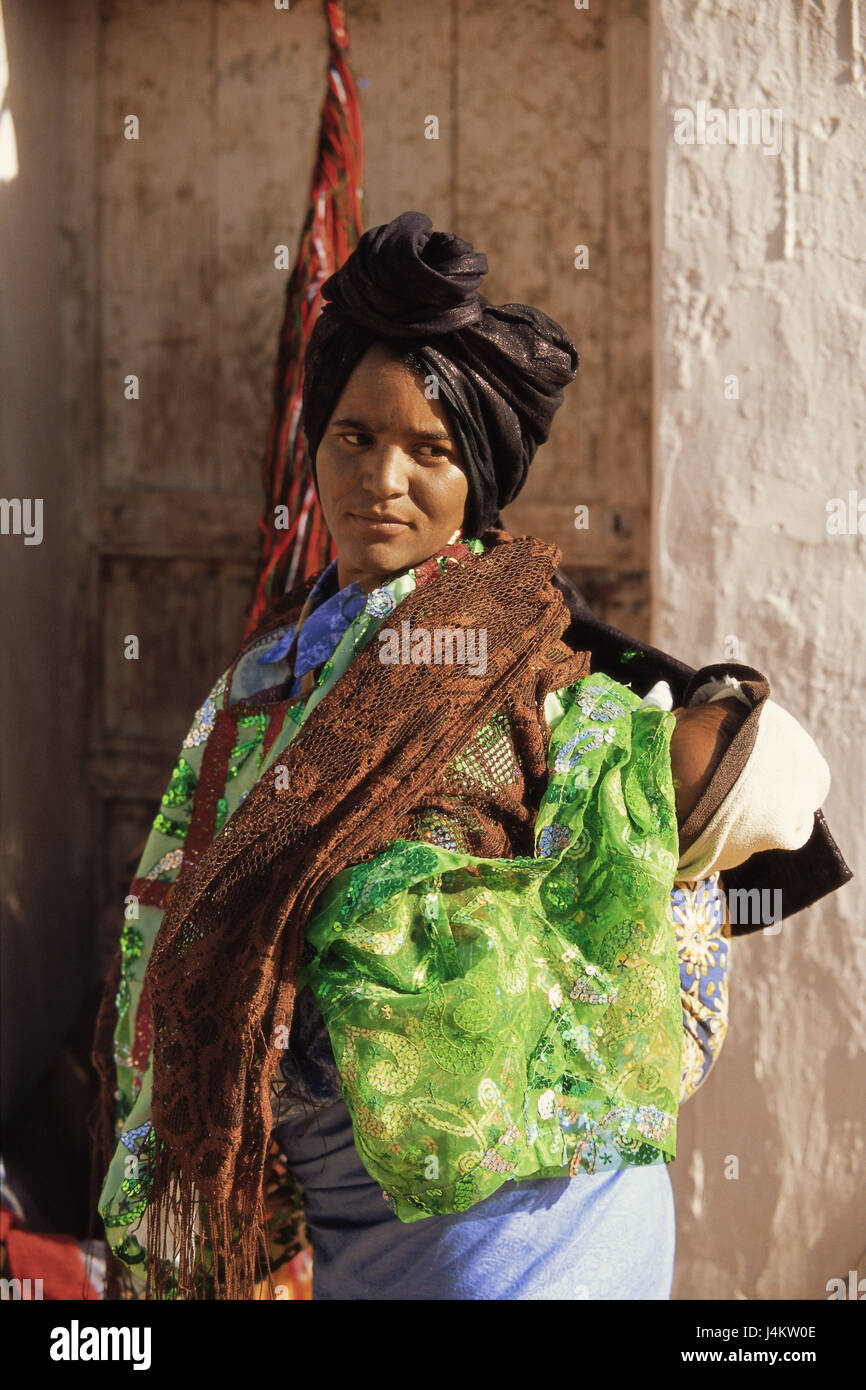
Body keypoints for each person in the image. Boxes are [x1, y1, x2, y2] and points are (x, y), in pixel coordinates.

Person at [92, 211, 841, 1301]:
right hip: (367, 1244)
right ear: (315, 444)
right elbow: (176, 927)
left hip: (552, 1240)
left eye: (429, 449)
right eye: (353, 436)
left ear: (474, 476)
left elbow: (768, 788)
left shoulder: (544, 679)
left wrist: (668, 767)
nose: (381, 478)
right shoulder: (258, 692)